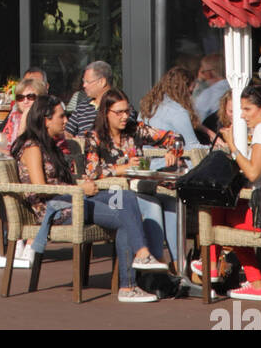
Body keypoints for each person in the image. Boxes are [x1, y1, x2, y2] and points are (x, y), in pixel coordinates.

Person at [12, 94, 167, 302]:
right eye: (61, 116)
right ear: (46, 119)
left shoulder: (50, 144)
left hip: (73, 200)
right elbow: (42, 188)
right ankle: (128, 286)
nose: (66, 120)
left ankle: (141, 255)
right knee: (124, 219)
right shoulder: (32, 147)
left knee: (125, 197)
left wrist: (80, 186)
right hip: (58, 209)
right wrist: (80, 188)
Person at [84, 87, 182, 272]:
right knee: (152, 205)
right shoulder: (94, 137)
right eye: (119, 112)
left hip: (140, 187)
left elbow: (174, 137)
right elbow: (91, 171)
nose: (124, 116)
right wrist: (122, 168)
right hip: (113, 195)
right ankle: (157, 267)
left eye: (127, 111)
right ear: (106, 113)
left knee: (171, 204)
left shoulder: (135, 129)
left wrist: (173, 150)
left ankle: (178, 266)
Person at [195, 83, 261, 300]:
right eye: (240, 110)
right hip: (260, 205)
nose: (243, 115)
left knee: (221, 213)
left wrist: (233, 147)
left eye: (247, 109)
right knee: (223, 208)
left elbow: (254, 173)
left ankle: (213, 263)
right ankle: (250, 282)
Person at [140, 66, 216, 158]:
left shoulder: (148, 107)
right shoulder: (178, 111)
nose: (191, 96)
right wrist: (217, 149)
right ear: (185, 90)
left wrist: (207, 132)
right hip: (171, 165)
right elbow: (193, 148)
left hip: (146, 163)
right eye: (191, 92)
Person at [66, 60, 114, 136]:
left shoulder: (119, 106)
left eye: (87, 82)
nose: (84, 85)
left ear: (102, 82)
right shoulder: (81, 108)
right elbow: (67, 132)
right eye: (83, 81)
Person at [2, 77, 45, 151]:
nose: (25, 101)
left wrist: (24, 118)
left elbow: (21, 147)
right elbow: (4, 143)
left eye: (31, 96)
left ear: (40, 98)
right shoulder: (14, 117)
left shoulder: (46, 118)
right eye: (20, 97)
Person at [193, 54, 231, 124]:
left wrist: (199, 81)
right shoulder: (234, 87)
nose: (202, 75)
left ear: (209, 73)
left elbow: (197, 120)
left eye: (203, 72)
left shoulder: (208, 94)